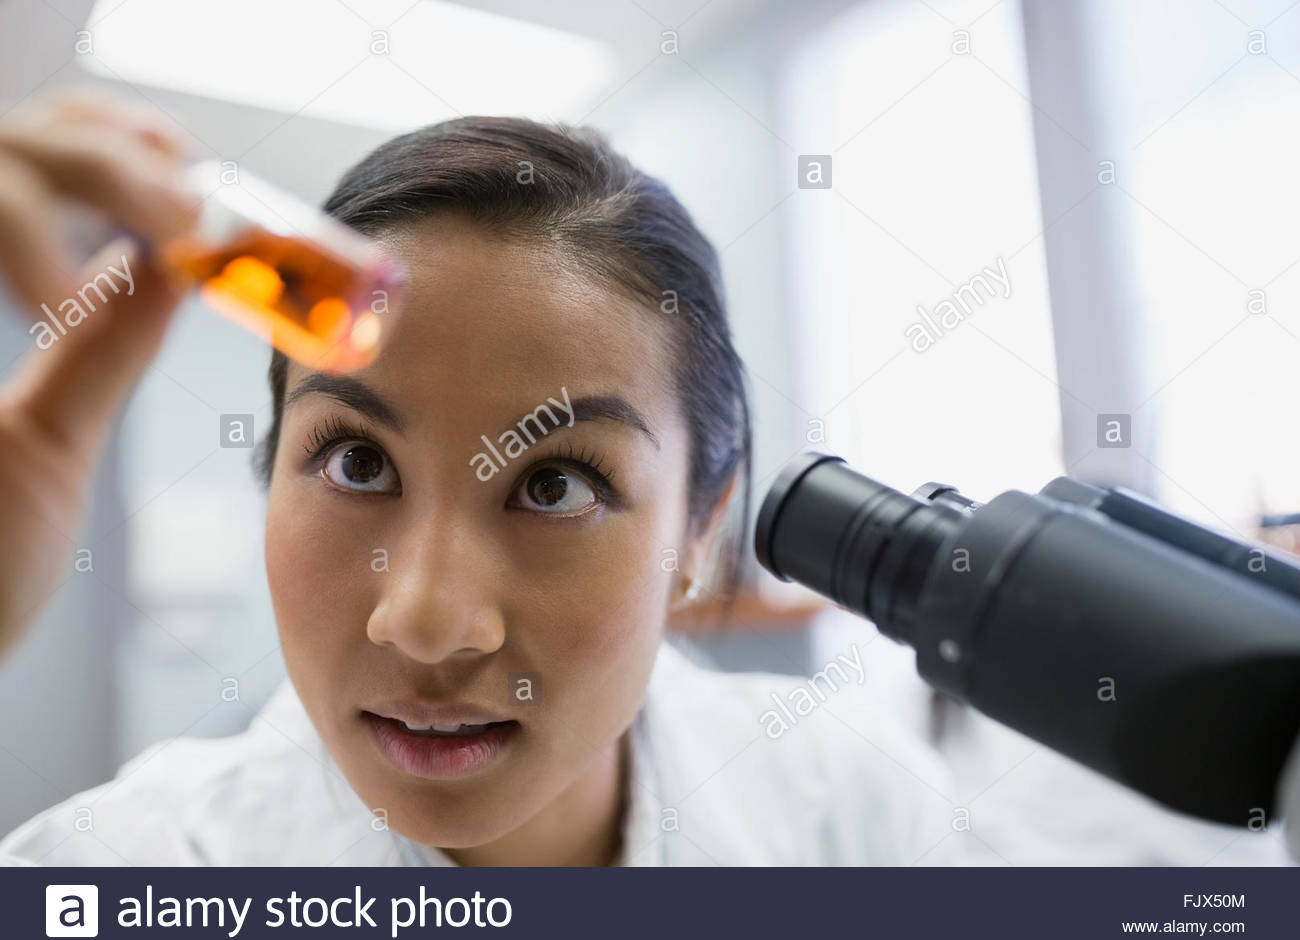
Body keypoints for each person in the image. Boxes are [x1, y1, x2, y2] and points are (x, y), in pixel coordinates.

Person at [0, 88, 955, 866]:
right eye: (358, 462)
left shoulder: (854, 818)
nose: (424, 622)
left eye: (555, 486)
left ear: (701, 526)